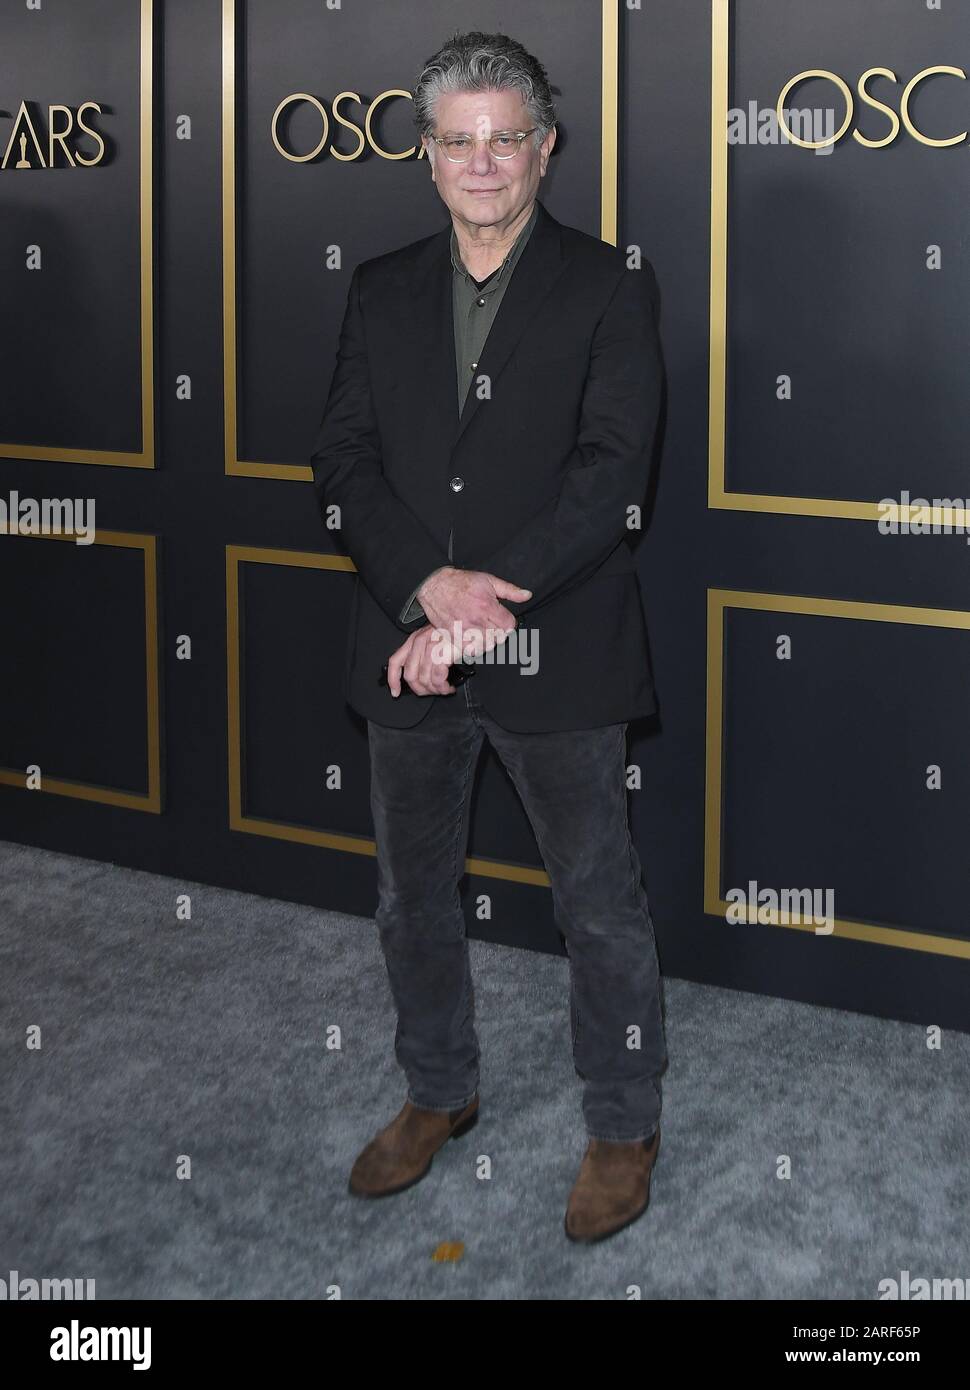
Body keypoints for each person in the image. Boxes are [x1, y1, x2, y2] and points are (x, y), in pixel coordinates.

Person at [310, 29, 668, 1243]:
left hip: (553, 643)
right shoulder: (377, 287)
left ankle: (622, 1122)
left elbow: (612, 473)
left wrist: (472, 607)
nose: (480, 162)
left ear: (544, 147)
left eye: (503, 138)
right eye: (456, 141)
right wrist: (424, 586)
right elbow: (342, 463)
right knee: (412, 899)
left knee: (599, 905)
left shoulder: (613, 279)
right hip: (408, 639)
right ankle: (436, 1093)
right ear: (426, 156)